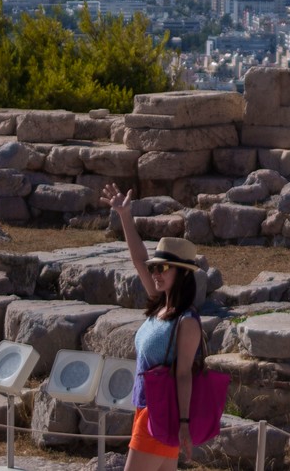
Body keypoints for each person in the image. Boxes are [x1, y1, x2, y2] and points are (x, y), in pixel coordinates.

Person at [101, 184, 204, 470]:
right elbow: (138, 260)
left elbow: (184, 375)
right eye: (155, 268)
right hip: (147, 408)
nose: (155, 273)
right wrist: (124, 214)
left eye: (163, 268)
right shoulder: (160, 305)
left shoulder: (186, 321)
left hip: (162, 414)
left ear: (181, 273)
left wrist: (184, 425)